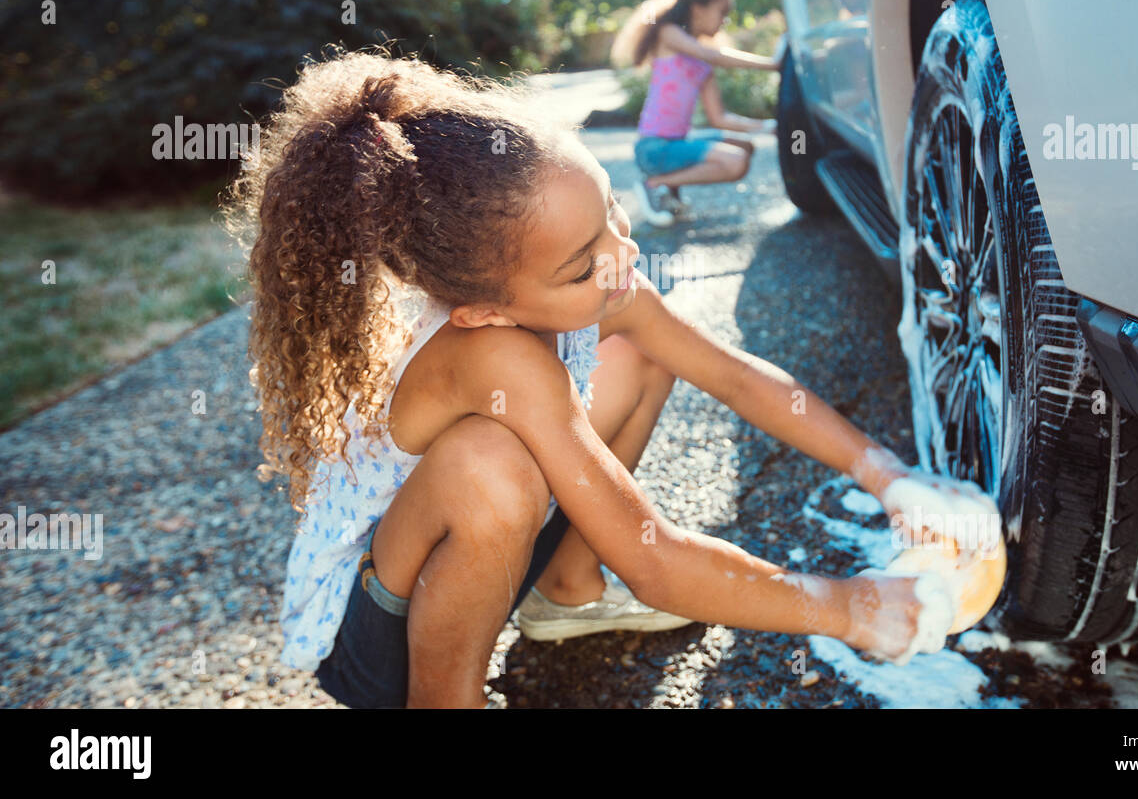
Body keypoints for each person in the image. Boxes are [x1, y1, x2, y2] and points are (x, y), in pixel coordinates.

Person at [225, 50, 997, 709]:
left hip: (472, 561)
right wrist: (853, 606)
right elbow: (653, 557)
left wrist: (887, 474)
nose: (619, 255)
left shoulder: (595, 278)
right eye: (580, 262)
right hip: (376, 640)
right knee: (490, 468)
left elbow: (738, 378)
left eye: (612, 215)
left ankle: (568, 586)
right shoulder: (490, 357)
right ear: (480, 312)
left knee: (641, 347)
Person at [611, 0, 781, 226]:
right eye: (722, 12)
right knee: (736, 162)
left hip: (677, 145)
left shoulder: (702, 65)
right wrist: (774, 64)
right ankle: (656, 184)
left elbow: (720, 118)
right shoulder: (668, 35)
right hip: (654, 149)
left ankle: (668, 189)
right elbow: (717, 56)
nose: (725, 21)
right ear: (697, 8)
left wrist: (768, 127)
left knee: (745, 147)